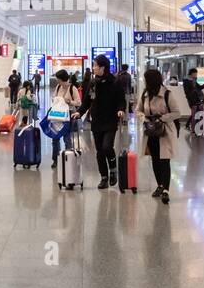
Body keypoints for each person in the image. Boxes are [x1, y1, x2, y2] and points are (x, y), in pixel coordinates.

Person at [76, 54, 126, 189]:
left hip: (110, 120)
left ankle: (113, 170)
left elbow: (121, 99)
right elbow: (87, 101)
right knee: (99, 151)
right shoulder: (93, 83)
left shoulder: (115, 82)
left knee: (107, 147)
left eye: (95, 65)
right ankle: (104, 177)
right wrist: (79, 112)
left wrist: (121, 109)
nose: (93, 68)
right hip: (97, 120)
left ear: (102, 67)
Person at [137, 68, 184, 203]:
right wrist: (144, 119)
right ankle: (159, 185)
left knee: (165, 160)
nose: (145, 82)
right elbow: (138, 110)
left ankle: (166, 190)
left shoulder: (167, 94)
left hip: (165, 132)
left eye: (146, 80)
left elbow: (177, 113)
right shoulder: (145, 94)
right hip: (151, 132)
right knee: (156, 160)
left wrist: (162, 118)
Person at [47, 69, 82, 167]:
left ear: (63, 79)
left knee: (67, 138)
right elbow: (54, 98)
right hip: (57, 114)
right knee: (55, 138)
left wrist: (69, 102)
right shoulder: (58, 87)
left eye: (58, 79)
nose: (57, 81)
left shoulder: (72, 88)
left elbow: (79, 102)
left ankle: (68, 159)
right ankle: (56, 160)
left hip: (68, 115)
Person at [182, 68, 204, 133]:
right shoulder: (186, 82)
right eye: (194, 74)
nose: (196, 75)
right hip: (191, 100)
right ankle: (188, 126)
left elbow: (199, 87)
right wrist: (193, 88)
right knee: (194, 113)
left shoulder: (194, 81)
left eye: (196, 74)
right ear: (191, 74)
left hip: (197, 99)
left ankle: (193, 127)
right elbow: (187, 92)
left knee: (195, 113)